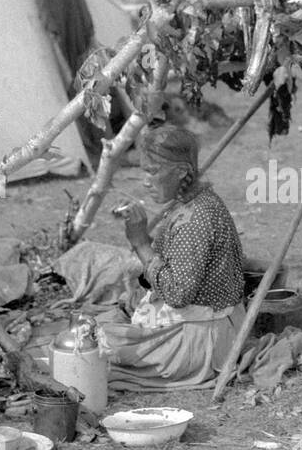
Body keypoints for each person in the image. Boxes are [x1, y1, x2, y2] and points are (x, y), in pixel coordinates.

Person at [59, 125, 245, 391]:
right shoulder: (196, 202)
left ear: (182, 171)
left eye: (153, 171)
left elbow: (178, 294)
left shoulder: (194, 220)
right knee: (98, 332)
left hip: (198, 343)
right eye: (144, 171)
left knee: (93, 350)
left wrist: (140, 242)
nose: (145, 181)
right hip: (212, 329)